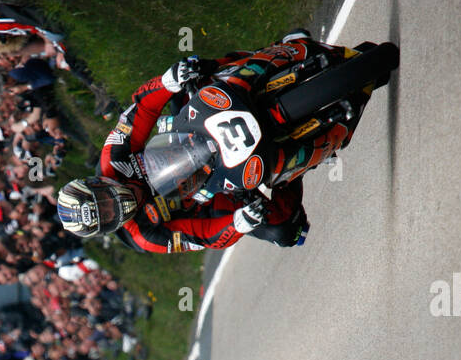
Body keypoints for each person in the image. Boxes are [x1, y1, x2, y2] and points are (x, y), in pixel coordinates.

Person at [55, 32, 334, 252]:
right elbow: (203, 236)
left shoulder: (113, 158)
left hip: (189, 137)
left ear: (97, 184)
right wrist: (237, 224)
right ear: (107, 228)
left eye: (102, 201)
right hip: (214, 193)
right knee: (286, 232)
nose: (111, 206)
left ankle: (276, 51)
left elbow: (142, 109)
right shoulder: (146, 235)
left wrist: (167, 82)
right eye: (105, 215)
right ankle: (300, 164)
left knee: (195, 71)